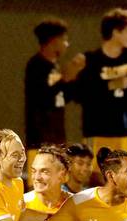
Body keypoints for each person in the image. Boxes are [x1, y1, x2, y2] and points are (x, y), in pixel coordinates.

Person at [76, 8, 127, 155]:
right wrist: (112, 85)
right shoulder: (92, 60)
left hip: (123, 131)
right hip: (95, 129)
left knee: (120, 173)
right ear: (116, 32)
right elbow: (82, 94)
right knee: (96, 174)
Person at [24, 18, 85, 174]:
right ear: (53, 40)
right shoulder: (36, 66)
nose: (67, 44)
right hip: (40, 138)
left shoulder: (54, 67)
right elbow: (43, 98)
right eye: (64, 39)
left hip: (57, 136)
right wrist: (64, 78)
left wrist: (74, 78)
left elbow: (64, 97)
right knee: (39, 183)